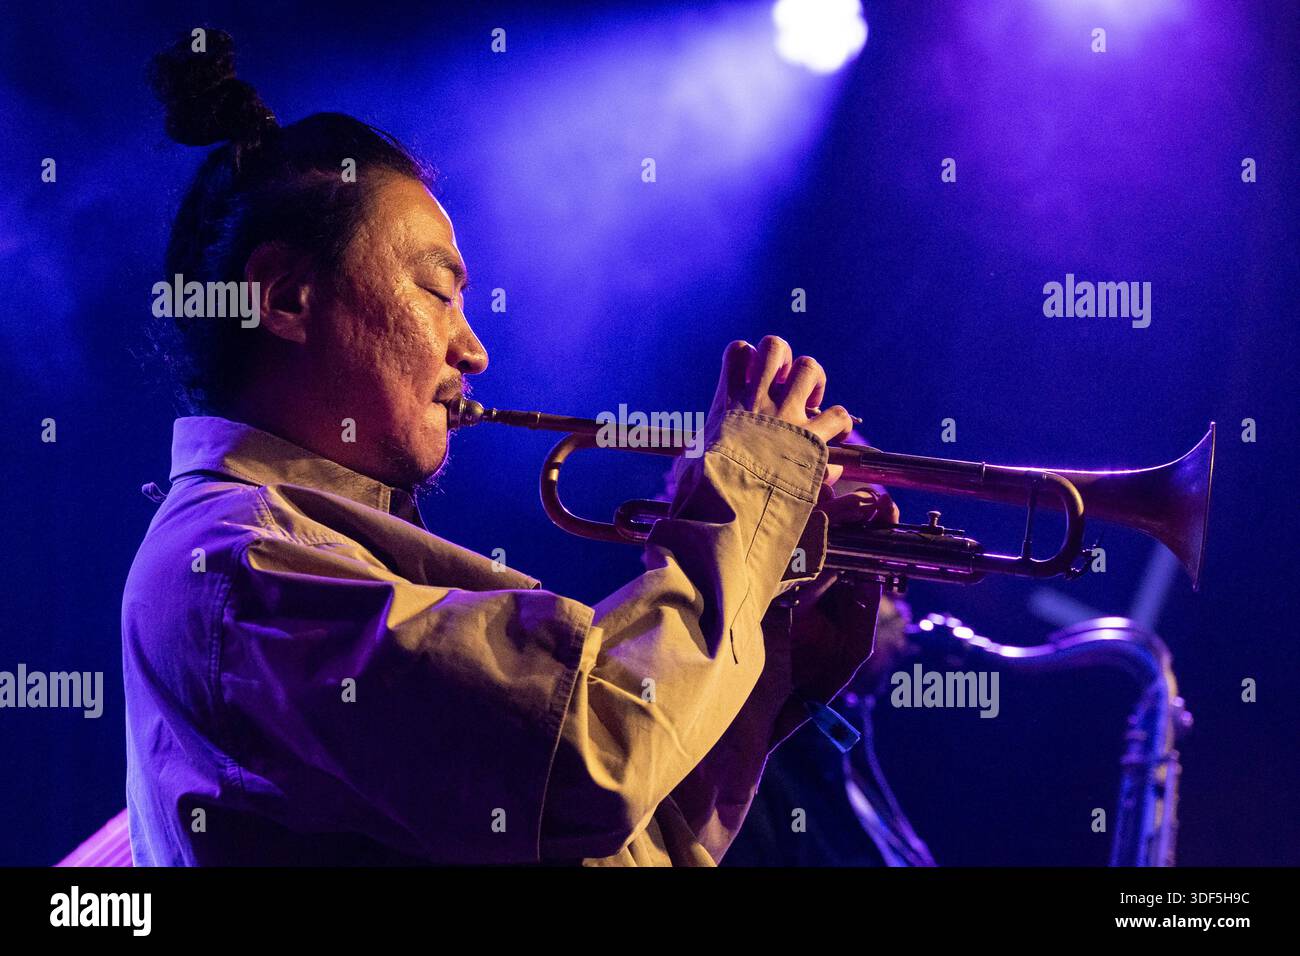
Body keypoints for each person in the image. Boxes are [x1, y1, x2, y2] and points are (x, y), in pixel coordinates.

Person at [123, 31, 895, 866]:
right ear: (284, 298)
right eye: (437, 289)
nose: (473, 349)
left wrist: (770, 630)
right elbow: (593, 759)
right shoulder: (239, 564)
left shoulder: (330, 548)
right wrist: (745, 492)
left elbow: (629, 840)